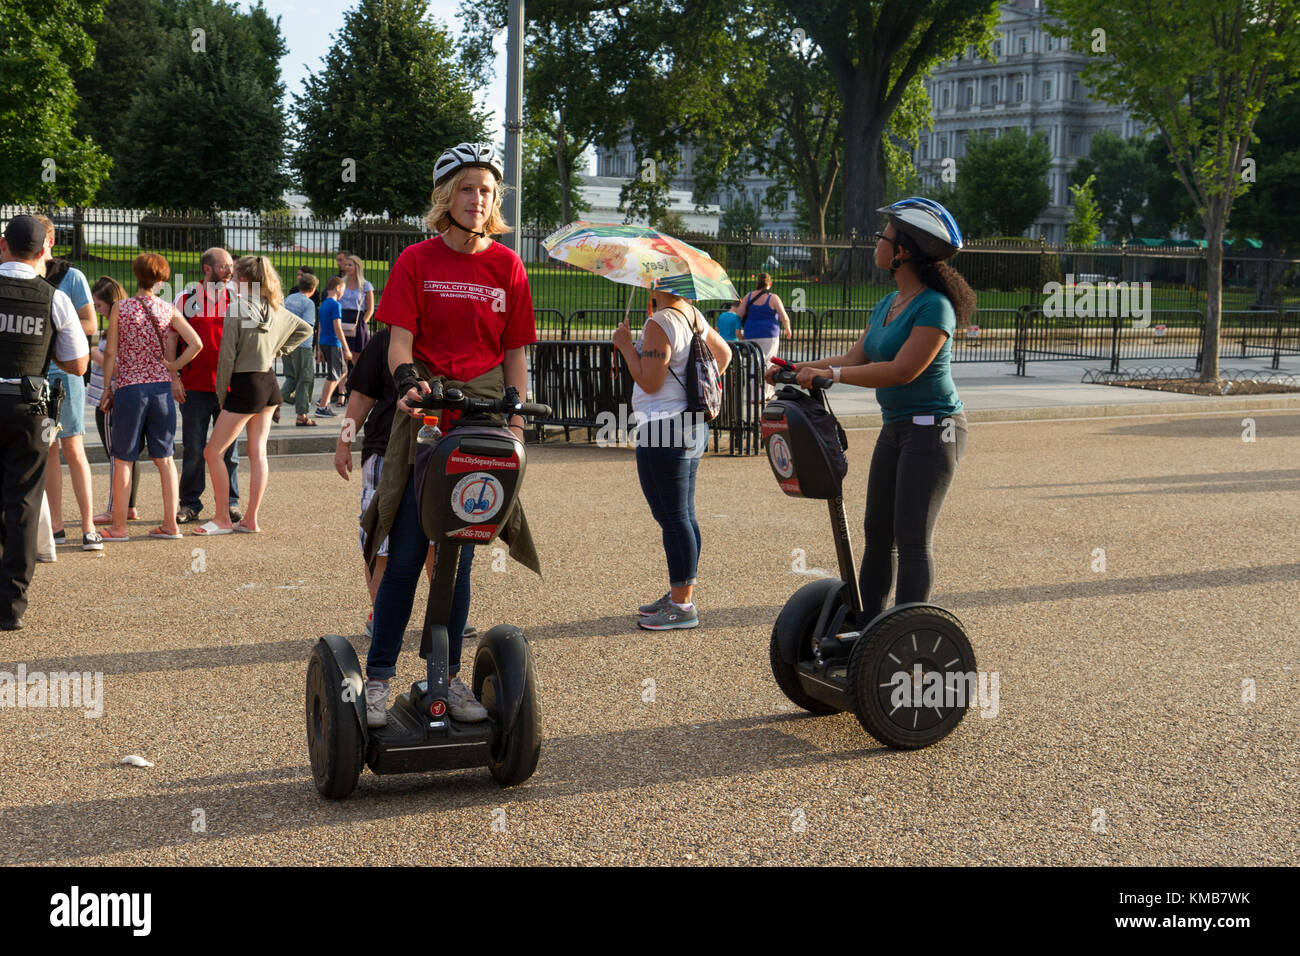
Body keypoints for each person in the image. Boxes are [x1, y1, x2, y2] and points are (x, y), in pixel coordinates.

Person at [362, 141, 538, 728]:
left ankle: (449, 678)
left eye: (487, 190)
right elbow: (398, 345)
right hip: (429, 416)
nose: (478, 199)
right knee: (409, 554)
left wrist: (515, 415)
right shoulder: (416, 260)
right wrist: (409, 382)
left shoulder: (507, 266)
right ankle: (379, 680)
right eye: (467, 188)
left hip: (483, 421)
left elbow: (514, 353)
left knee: (460, 557)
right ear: (445, 197)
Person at [776, 197, 972, 624]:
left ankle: (904, 633)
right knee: (876, 535)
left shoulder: (934, 306)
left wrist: (834, 378)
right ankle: (866, 628)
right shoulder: (888, 304)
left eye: (883, 237)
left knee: (912, 538)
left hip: (935, 428)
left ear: (903, 251)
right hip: (897, 427)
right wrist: (802, 369)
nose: (876, 243)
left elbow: (902, 371)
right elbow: (856, 357)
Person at [614, 282, 732, 631]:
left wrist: (625, 347)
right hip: (692, 423)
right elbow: (723, 356)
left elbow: (649, 382)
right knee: (683, 514)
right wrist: (693, 383)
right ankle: (682, 593)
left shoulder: (660, 322)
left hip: (663, 426)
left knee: (672, 516)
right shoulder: (692, 314)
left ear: (656, 284)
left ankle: (682, 605)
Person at [0, 215, 90, 629]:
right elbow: (77, 362)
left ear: (2, 246)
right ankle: (11, 605)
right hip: (31, 400)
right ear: (42, 252)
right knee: (23, 501)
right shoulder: (54, 298)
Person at [194, 257, 311, 535]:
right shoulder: (274, 306)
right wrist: (276, 350)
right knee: (257, 452)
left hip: (246, 384)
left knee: (212, 452)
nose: (231, 279)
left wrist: (222, 395)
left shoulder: (237, 307)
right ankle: (250, 519)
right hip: (268, 380)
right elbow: (305, 329)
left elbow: (227, 357)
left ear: (244, 279)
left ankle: (222, 518)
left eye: (235, 276)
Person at [98, 254, 204, 541]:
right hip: (160, 391)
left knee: (123, 458)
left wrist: (108, 387)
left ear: (136, 275)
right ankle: (171, 524)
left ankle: (119, 527)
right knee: (166, 459)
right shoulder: (168, 309)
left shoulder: (122, 307)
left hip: (131, 389)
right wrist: (174, 366)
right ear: (160, 280)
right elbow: (196, 343)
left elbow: (110, 352)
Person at [34, 227, 101, 551]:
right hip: (34, 374)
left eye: (42, 237)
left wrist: (57, 322)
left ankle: (88, 527)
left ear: (50, 241)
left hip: (65, 372)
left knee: (73, 448)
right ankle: (57, 527)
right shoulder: (21, 276)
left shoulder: (71, 277)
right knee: (48, 449)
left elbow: (91, 324)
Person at [171, 247, 241, 525]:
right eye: (224, 266)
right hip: (194, 386)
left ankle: (231, 502)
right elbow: (172, 339)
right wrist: (174, 377)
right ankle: (189, 503)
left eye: (231, 266)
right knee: (194, 448)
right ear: (208, 269)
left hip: (229, 388)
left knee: (230, 450)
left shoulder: (236, 297)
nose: (230, 271)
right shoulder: (186, 298)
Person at [87, 276, 143, 524]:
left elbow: (121, 367)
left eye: (99, 305)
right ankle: (128, 506)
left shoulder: (118, 328)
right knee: (126, 454)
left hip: (110, 399)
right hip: (117, 397)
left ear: (111, 303)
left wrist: (95, 355)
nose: (97, 311)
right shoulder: (124, 324)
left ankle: (114, 508)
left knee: (115, 456)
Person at [735, 273, 792, 400]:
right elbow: (783, 316)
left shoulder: (748, 296)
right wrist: (788, 329)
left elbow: (739, 313)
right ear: (769, 284)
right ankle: (766, 391)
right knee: (769, 361)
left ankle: (754, 394)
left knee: (753, 363)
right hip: (769, 334)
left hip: (751, 333)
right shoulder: (773, 298)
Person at [282, 272, 319, 425]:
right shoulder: (308, 303)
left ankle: (274, 404)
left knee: (291, 377)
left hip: (286, 342)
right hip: (302, 345)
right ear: (313, 288)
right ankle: (302, 415)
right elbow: (308, 326)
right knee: (306, 378)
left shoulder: (289, 299)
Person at [337, 252, 373, 403]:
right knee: (342, 359)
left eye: (350, 265)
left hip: (358, 323)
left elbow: (370, 308)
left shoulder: (365, 285)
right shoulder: (341, 283)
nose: (346, 267)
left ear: (357, 267)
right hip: (342, 320)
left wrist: (362, 323)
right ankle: (341, 394)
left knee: (358, 360)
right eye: (346, 264)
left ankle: (362, 391)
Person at [314, 276, 349, 416]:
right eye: (343, 290)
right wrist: (346, 348)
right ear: (338, 288)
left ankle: (324, 402)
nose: (343, 294)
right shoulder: (336, 305)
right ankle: (323, 406)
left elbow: (320, 327)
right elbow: (338, 327)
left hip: (324, 341)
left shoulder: (324, 305)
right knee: (335, 375)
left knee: (340, 372)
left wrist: (318, 348)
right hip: (333, 342)